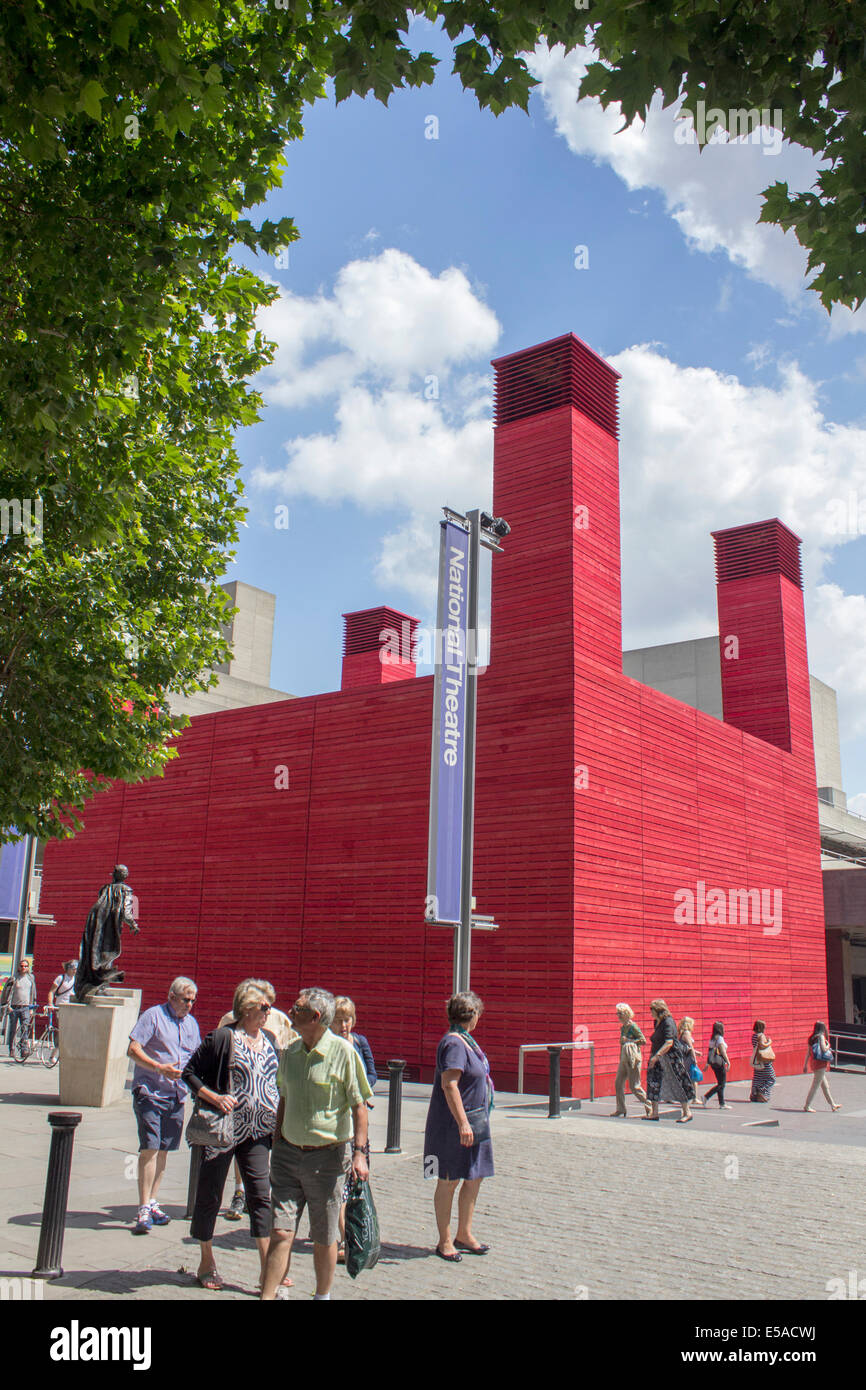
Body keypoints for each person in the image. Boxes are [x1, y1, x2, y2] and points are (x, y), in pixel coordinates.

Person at [260, 987, 372, 1301]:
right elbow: (283, 1096)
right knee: (281, 1231)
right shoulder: (290, 1052)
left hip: (328, 1160)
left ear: (316, 1017)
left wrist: (360, 1154)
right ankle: (267, 1296)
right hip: (287, 1155)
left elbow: (359, 1107)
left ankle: (322, 1295)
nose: (290, 1013)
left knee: (324, 1237)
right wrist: (278, 1137)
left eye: (297, 1009)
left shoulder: (343, 1053)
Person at [183, 979, 281, 1291]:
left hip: (258, 1131)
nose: (269, 1012)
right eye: (264, 1007)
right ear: (248, 1008)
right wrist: (214, 1097)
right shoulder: (223, 1038)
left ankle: (268, 1268)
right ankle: (206, 1260)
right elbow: (190, 1073)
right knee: (211, 1194)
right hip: (224, 1129)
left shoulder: (268, 1038)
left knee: (260, 1195)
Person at [423, 990, 494, 1262]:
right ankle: (444, 1240)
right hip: (455, 1125)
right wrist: (463, 1123)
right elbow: (449, 1084)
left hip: (476, 1121)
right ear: (471, 1015)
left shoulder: (467, 1041)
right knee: (448, 1179)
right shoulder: (454, 1043)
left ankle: (464, 1233)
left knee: (475, 1175)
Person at [127, 977, 201, 1235]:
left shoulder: (191, 1024)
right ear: (172, 996)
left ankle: (153, 1200)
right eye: (185, 999)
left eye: (192, 1000)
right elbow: (133, 1049)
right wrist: (159, 1068)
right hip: (150, 1091)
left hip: (176, 1095)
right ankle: (143, 1206)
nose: (189, 1005)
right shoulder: (153, 1016)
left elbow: (195, 1059)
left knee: (164, 1151)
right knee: (150, 1147)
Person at [219, 981, 296, 1224]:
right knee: (238, 1152)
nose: (266, 1010)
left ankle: (260, 1197)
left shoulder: (279, 1019)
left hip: (266, 1101)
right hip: (236, 1104)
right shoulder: (228, 1021)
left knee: (262, 1153)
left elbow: (287, 1051)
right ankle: (240, 1192)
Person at [333, 995, 376, 1262]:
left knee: (356, 1181)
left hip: (358, 1121)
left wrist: (362, 1090)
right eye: (338, 1020)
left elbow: (372, 1072)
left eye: (347, 1019)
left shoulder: (360, 1042)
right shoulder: (329, 1045)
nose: (344, 1025)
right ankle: (344, 1239)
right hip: (339, 1122)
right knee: (340, 1185)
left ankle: (350, 1232)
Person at [74, 863, 140, 1000]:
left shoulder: (104, 888)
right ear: (125, 876)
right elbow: (126, 912)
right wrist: (133, 924)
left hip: (95, 920)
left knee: (95, 952)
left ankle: (93, 983)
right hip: (109, 923)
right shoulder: (127, 890)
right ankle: (101, 986)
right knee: (107, 953)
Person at [645, 998, 695, 1122]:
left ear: (658, 1010)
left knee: (677, 1082)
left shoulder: (668, 1022)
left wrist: (656, 1056)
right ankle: (654, 1113)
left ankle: (686, 1112)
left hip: (670, 1057)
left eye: (652, 1010)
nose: (651, 1013)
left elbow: (669, 1042)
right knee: (653, 1082)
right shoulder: (657, 1022)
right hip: (657, 1057)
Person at [610, 1003, 651, 1117]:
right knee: (618, 1083)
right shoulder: (623, 1027)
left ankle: (650, 1105)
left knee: (634, 1086)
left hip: (633, 1058)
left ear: (626, 1014)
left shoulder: (633, 1026)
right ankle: (621, 1108)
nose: (618, 1016)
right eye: (617, 1013)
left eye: (620, 1013)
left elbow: (643, 1040)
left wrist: (629, 1040)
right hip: (624, 1058)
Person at [802, 1021, 841, 1112]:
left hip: (814, 1063)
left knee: (825, 1085)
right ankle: (807, 1106)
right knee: (815, 1086)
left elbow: (808, 1053)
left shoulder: (811, 1038)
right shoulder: (821, 1037)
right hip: (821, 1064)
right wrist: (828, 1045)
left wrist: (805, 1065)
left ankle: (832, 1105)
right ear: (822, 1029)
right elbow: (823, 1049)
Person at [7, 958, 37, 1057]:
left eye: (25, 966)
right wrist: (8, 1005)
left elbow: (33, 994)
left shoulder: (31, 978)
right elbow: (8, 993)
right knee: (13, 1029)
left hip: (26, 1007)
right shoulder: (14, 978)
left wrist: (32, 1008)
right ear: (19, 967)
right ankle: (11, 1048)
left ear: (28, 968)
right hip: (14, 1007)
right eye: (22, 966)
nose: (23, 968)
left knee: (25, 1027)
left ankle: (23, 1049)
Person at [703, 1021, 731, 1108]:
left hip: (714, 1063)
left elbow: (710, 1052)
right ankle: (706, 1096)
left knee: (720, 1083)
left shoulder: (712, 1039)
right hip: (720, 1062)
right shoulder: (720, 1039)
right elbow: (722, 1051)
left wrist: (708, 1063)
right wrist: (728, 1062)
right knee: (722, 1084)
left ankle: (721, 1103)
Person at [750, 1019, 776, 1102]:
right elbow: (762, 1045)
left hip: (757, 1060)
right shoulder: (761, 1036)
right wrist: (769, 1042)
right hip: (764, 1061)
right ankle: (762, 1092)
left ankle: (754, 1094)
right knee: (771, 1078)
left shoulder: (754, 1036)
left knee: (758, 1077)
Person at [678, 1015, 702, 1106]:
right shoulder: (687, 1033)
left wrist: (696, 1052)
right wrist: (694, 1057)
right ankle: (694, 1097)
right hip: (688, 1058)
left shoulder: (682, 1033)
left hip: (685, 1056)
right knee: (693, 1077)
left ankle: (689, 1096)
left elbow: (685, 1047)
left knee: (689, 1077)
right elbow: (690, 1046)